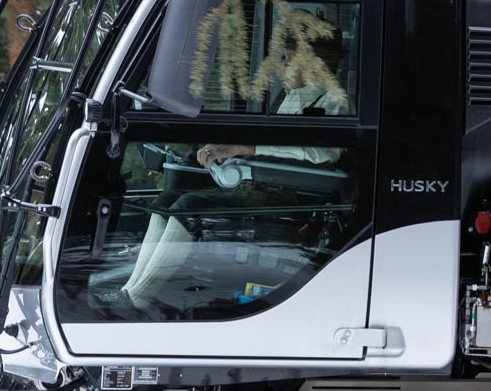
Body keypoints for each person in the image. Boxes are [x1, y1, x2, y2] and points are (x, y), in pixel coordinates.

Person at [122, 30, 349, 308]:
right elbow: (270, 141)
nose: (281, 65)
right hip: (262, 183)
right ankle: (131, 287)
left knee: (188, 204)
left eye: (288, 58)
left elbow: (320, 153)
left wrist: (245, 149)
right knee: (165, 200)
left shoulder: (335, 101)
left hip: (289, 194)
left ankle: (140, 297)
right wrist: (227, 144)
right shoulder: (293, 97)